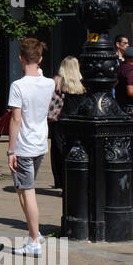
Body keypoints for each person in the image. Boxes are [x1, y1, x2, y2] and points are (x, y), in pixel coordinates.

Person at [7, 38, 57, 255]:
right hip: (40, 143)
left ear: (20, 58)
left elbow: (16, 120)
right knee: (22, 189)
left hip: (24, 145)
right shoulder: (49, 83)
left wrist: (10, 150)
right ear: (40, 59)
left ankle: (35, 239)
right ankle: (33, 233)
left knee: (27, 192)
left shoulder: (18, 86)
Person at [49, 56, 84, 190]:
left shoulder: (57, 82)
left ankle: (61, 182)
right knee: (74, 149)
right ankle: (74, 179)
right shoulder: (82, 84)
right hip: (76, 122)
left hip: (60, 121)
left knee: (58, 151)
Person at [116, 45, 133, 116]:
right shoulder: (131, 72)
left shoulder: (120, 68)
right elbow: (131, 91)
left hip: (120, 107)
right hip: (130, 110)